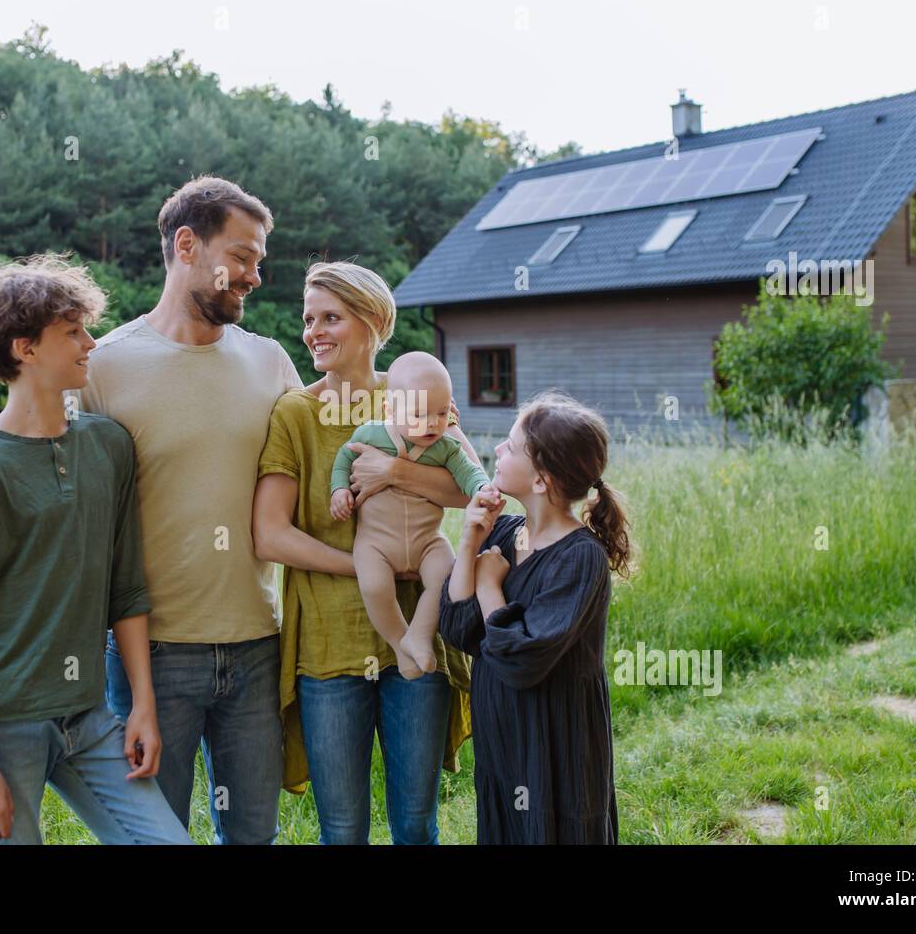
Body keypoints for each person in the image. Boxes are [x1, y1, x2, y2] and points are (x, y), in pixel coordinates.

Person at [0, 176, 301, 844]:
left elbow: (331, 445)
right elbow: (22, 434)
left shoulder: (268, 363)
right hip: (145, 658)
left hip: (250, 645)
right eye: (242, 256)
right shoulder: (106, 367)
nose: (254, 275)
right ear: (187, 245)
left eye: (259, 261)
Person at [0, 255, 189, 845]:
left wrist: (142, 703)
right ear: (25, 349)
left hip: (88, 719)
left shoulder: (109, 446)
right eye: (73, 332)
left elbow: (127, 585)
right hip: (2, 724)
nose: (91, 343)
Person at [253, 261, 497, 844]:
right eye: (309, 319)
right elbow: (270, 534)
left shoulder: (416, 391)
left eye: (330, 317)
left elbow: (477, 492)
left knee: (415, 824)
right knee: (342, 829)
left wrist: (394, 469)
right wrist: (367, 565)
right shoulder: (295, 413)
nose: (313, 331)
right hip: (329, 648)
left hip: (418, 638)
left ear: (373, 322)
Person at [438, 390, 632, 844]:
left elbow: (521, 658)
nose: (498, 451)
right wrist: (469, 542)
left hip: (557, 738)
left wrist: (489, 586)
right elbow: (457, 628)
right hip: (503, 734)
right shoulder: (505, 532)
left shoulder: (580, 557)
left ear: (541, 480)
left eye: (510, 445)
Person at [330, 351, 495, 676]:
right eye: (420, 414)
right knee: (375, 586)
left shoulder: (445, 447)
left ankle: (419, 634)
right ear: (391, 410)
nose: (433, 423)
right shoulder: (371, 434)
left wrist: (481, 489)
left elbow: (470, 474)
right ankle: (399, 641)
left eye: (442, 412)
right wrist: (339, 490)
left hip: (426, 542)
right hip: (376, 543)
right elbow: (343, 460)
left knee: (444, 576)